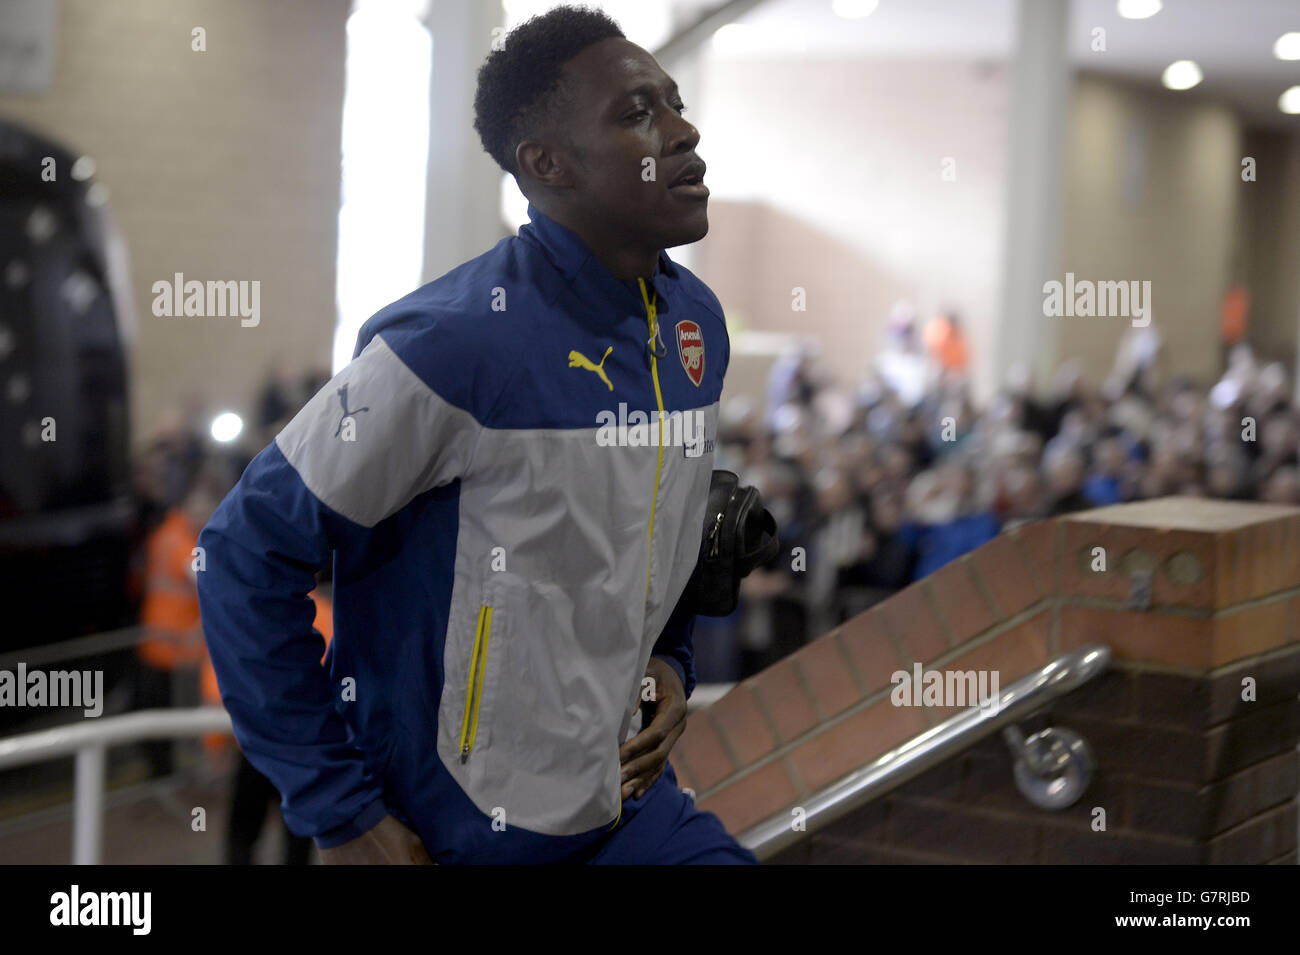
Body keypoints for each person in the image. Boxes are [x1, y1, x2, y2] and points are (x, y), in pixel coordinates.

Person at [197, 6, 754, 865]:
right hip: (456, 832)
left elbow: (668, 530)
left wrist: (672, 661)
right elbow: (240, 556)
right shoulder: (449, 347)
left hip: (628, 805)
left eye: (675, 102)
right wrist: (338, 811)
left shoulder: (696, 327)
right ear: (548, 163)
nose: (685, 131)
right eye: (640, 113)